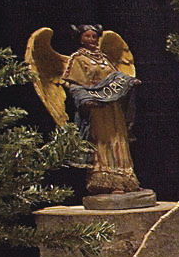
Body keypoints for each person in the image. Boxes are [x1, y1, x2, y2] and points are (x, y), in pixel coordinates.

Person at [60, 24, 142, 195]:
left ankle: (126, 180)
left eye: (94, 36)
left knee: (119, 141)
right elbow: (74, 85)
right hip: (97, 109)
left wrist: (129, 82)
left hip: (112, 107)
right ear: (80, 38)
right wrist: (87, 100)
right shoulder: (77, 59)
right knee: (104, 143)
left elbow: (115, 78)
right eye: (87, 36)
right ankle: (107, 182)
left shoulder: (104, 58)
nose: (91, 39)